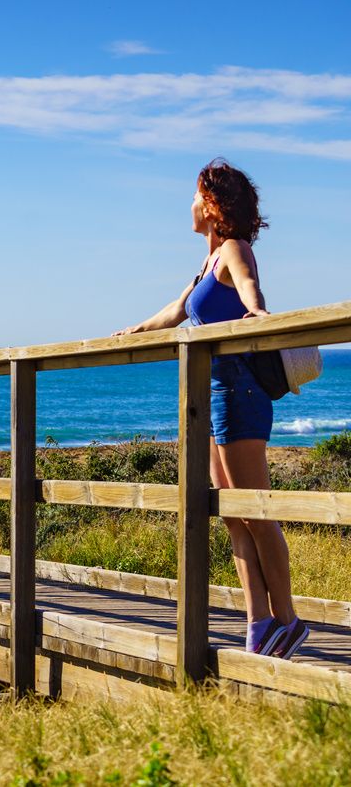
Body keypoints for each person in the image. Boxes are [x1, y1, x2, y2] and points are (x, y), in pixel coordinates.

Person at [112, 158, 307, 659]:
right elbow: (176, 311)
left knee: (257, 513)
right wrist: (134, 332)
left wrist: (259, 314)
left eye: (197, 194)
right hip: (214, 398)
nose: (191, 204)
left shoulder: (235, 251)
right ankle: (258, 624)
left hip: (241, 396)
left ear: (214, 205)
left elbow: (249, 289)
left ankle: (288, 620)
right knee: (231, 516)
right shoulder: (205, 262)